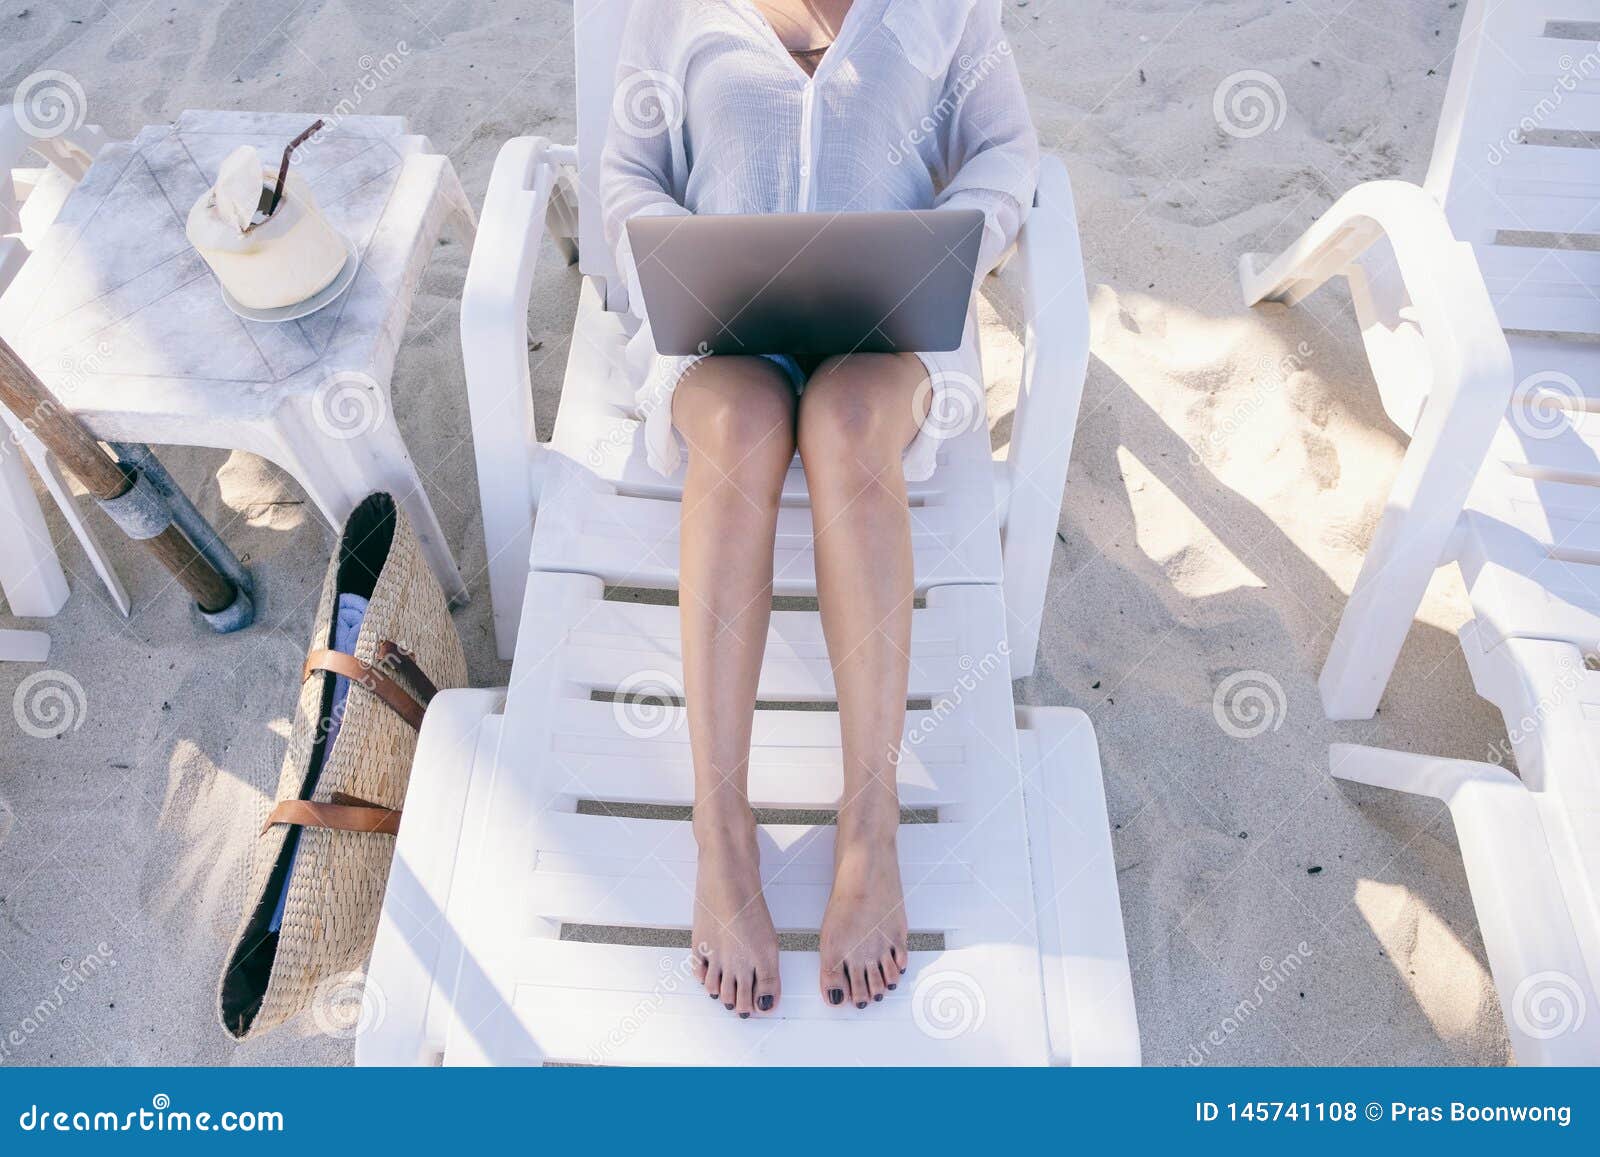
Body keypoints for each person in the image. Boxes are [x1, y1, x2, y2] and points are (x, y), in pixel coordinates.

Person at [599, 0, 1039, 1018]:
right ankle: (720, 828)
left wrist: (947, 255)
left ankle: (869, 825)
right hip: (715, 337)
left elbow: (1005, 153)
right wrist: (671, 259)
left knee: (843, 420)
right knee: (748, 421)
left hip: (886, 339)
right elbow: (626, 172)